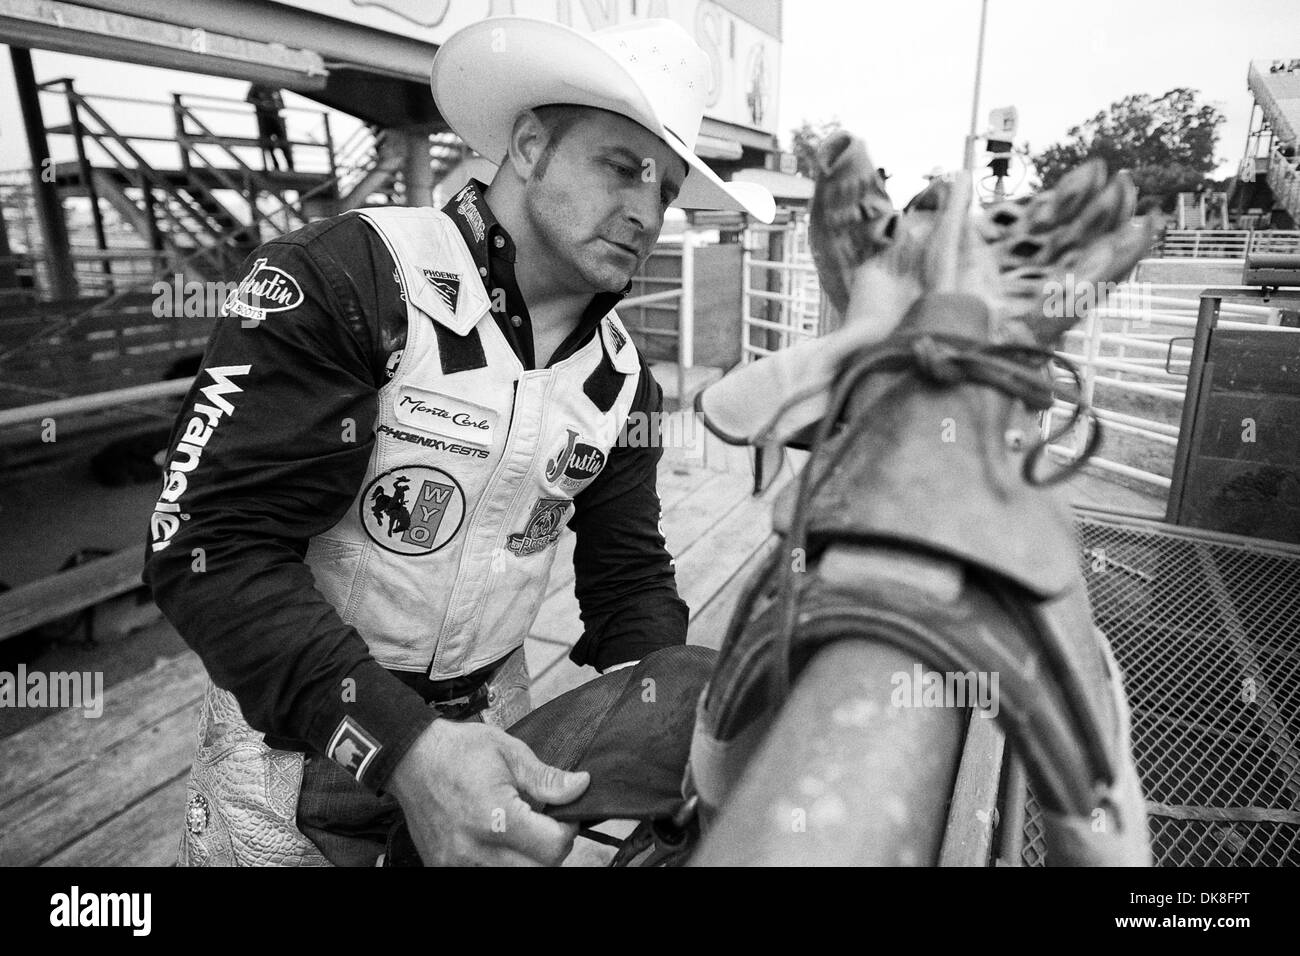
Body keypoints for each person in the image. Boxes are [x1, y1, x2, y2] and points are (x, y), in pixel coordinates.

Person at [145, 17, 773, 867]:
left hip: (496, 732)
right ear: (527, 145)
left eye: (664, 189)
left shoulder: (624, 380)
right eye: (621, 167)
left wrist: (693, 711)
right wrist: (406, 747)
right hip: (291, 746)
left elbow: (628, 574)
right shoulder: (348, 276)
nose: (644, 211)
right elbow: (210, 548)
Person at [246, 83, 294, 171]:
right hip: (263, 118)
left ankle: (290, 166)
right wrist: (262, 103)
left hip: (275, 118)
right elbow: (248, 99)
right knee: (268, 143)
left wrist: (275, 105)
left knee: (282, 141)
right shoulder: (257, 85)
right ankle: (276, 165)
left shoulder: (275, 86)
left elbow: (282, 104)